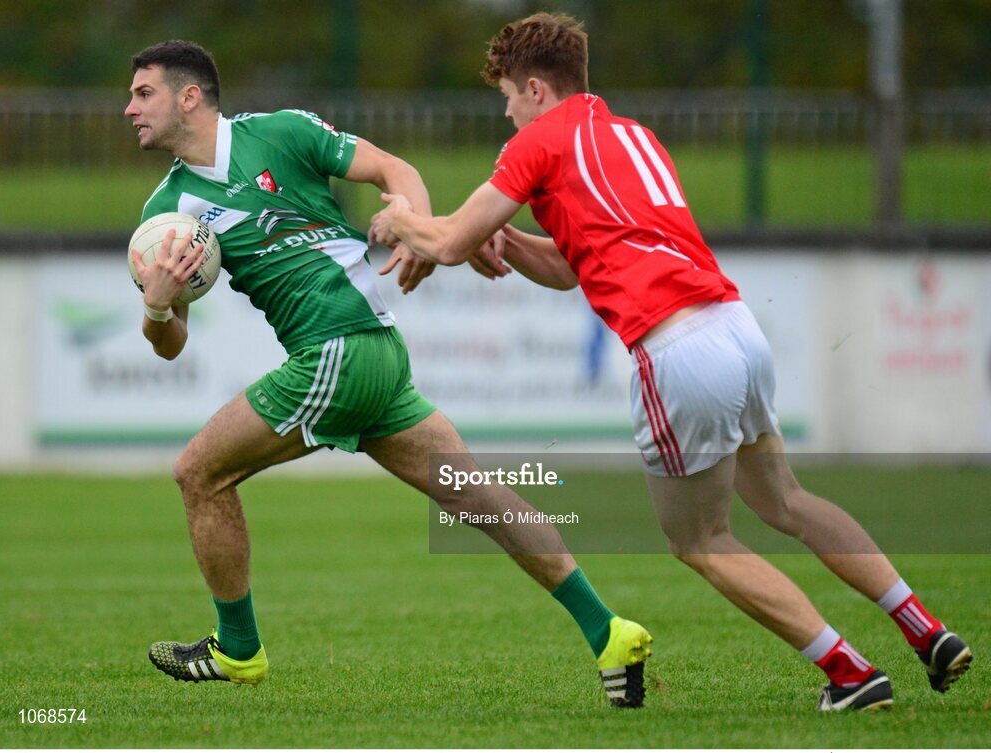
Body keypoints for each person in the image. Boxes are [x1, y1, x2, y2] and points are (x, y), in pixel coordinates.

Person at [369, 13, 972, 711]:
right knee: (787, 500)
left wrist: (400, 219)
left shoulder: (537, 141)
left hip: (676, 349)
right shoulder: (632, 136)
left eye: (507, 95)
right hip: (735, 328)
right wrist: (507, 238)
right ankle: (924, 627)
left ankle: (849, 670)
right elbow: (572, 267)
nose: (506, 112)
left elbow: (443, 243)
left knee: (700, 539)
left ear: (535, 88)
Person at [125, 40, 652, 707]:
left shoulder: (282, 133)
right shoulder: (166, 214)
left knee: (199, 471)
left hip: (341, 348)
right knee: (476, 493)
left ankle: (237, 649)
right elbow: (169, 343)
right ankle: (609, 630)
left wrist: (413, 223)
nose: (129, 108)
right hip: (372, 356)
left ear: (189, 96)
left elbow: (393, 169)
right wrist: (156, 305)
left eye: (143, 93)